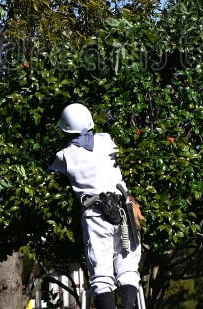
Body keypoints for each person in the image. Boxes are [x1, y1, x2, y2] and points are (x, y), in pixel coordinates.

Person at [49, 103, 144, 309]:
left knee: (101, 274)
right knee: (128, 267)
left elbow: (50, 175)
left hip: (96, 213)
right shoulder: (106, 140)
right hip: (124, 208)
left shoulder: (63, 156)